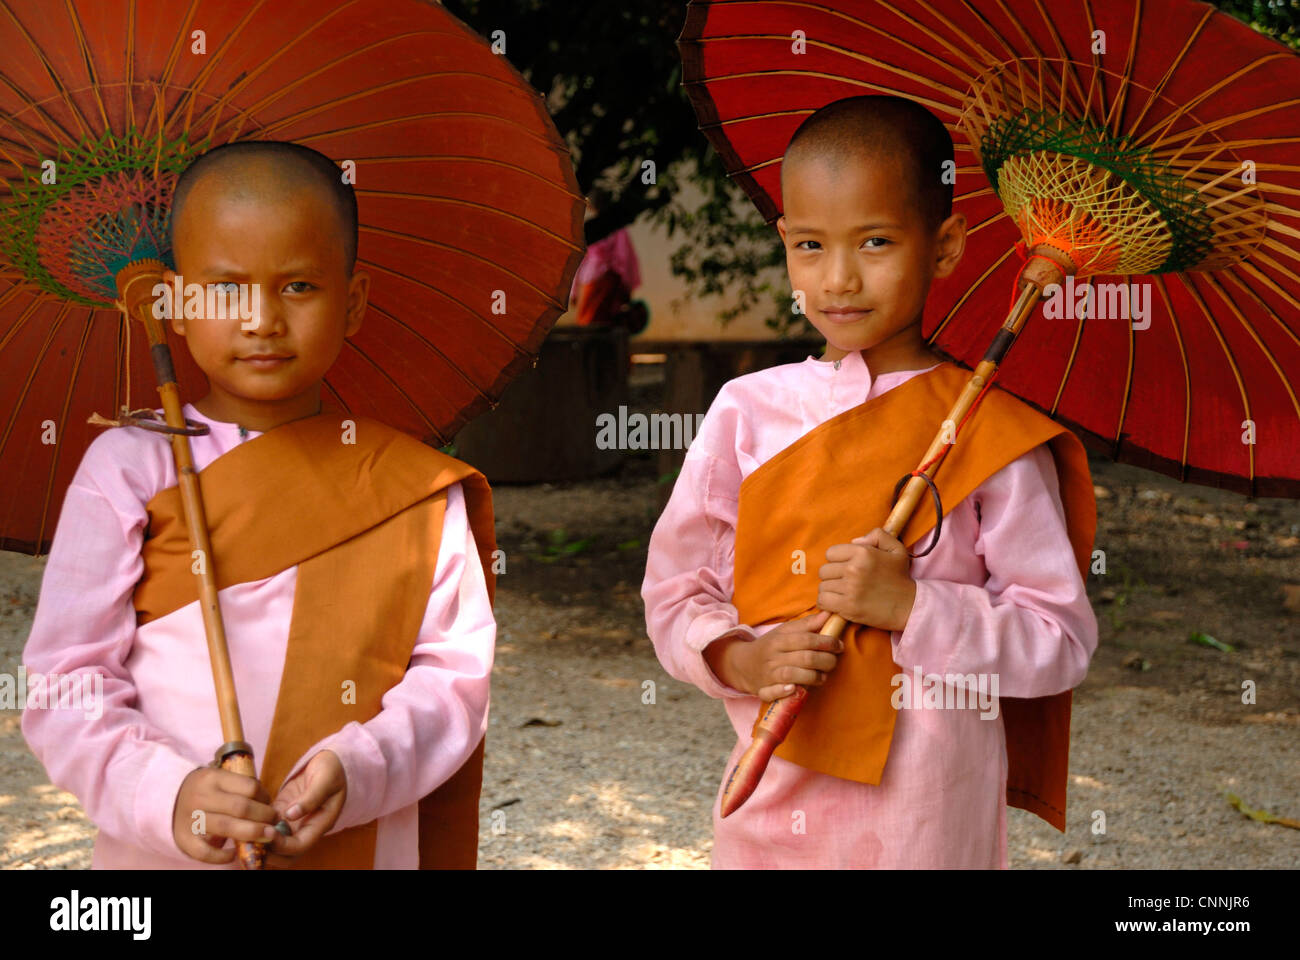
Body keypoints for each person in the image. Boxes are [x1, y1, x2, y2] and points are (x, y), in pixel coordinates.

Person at [642, 95, 1099, 868]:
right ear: (784, 242)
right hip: (769, 801)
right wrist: (739, 660)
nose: (840, 278)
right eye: (812, 245)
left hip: (926, 823)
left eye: (877, 241)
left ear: (945, 244)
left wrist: (915, 607)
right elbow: (676, 593)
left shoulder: (989, 432)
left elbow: (1059, 640)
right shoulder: (747, 414)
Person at [21, 141, 496, 869]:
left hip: (354, 837)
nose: (262, 319)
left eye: (299, 286)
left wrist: (362, 768)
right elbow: (66, 682)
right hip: (171, 850)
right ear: (175, 306)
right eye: (224, 290)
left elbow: (454, 678)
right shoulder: (130, 467)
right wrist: (166, 792)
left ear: (354, 300)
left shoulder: (407, 487)